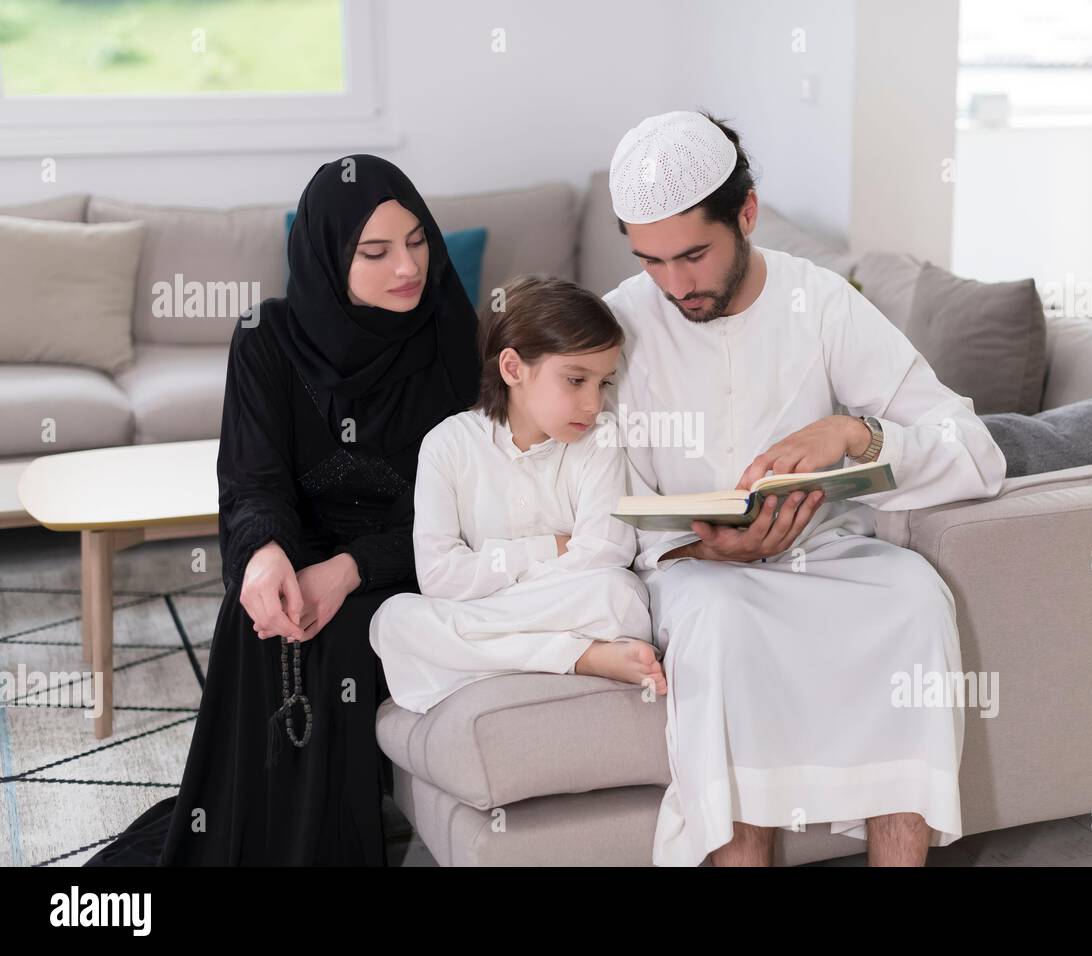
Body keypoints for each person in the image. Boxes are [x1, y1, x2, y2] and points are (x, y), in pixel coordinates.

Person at [601, 111, 1008, 867]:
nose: (674, 285)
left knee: (915, 597)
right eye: (652, 261)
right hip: (694, 572)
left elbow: (976, 454)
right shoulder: (621, 320)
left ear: (747, 212)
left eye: (692, 255)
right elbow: (598, 497)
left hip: (829, 558)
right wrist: (696, 545)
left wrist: (858, 435)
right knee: (720, 626)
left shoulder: (819, 303)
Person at [84, 154, 481, 865]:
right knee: (261, 610)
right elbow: (251, 479)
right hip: (298, 544)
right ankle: (265, 832)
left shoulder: (456, 343)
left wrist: (351, 570)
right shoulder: (266, 339)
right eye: (376, 250)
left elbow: (458, 510)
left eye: (418, 241)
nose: (408, 266)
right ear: (328, 254)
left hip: (413, 556)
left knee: (348, 629)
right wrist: (265, 553)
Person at [369, 275, 663, 714]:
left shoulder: (600, 439)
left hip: (511, 609)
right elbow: (438, 576)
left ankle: (488, 654)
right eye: (576, 380)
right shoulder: (446, 445)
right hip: (554, 609)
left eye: (603, 384)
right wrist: (550, 548)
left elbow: (605, 553)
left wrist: (490, 584)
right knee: (392, 621)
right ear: (512, 369)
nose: (593, 404)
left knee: (619, 595)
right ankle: (579, 656)